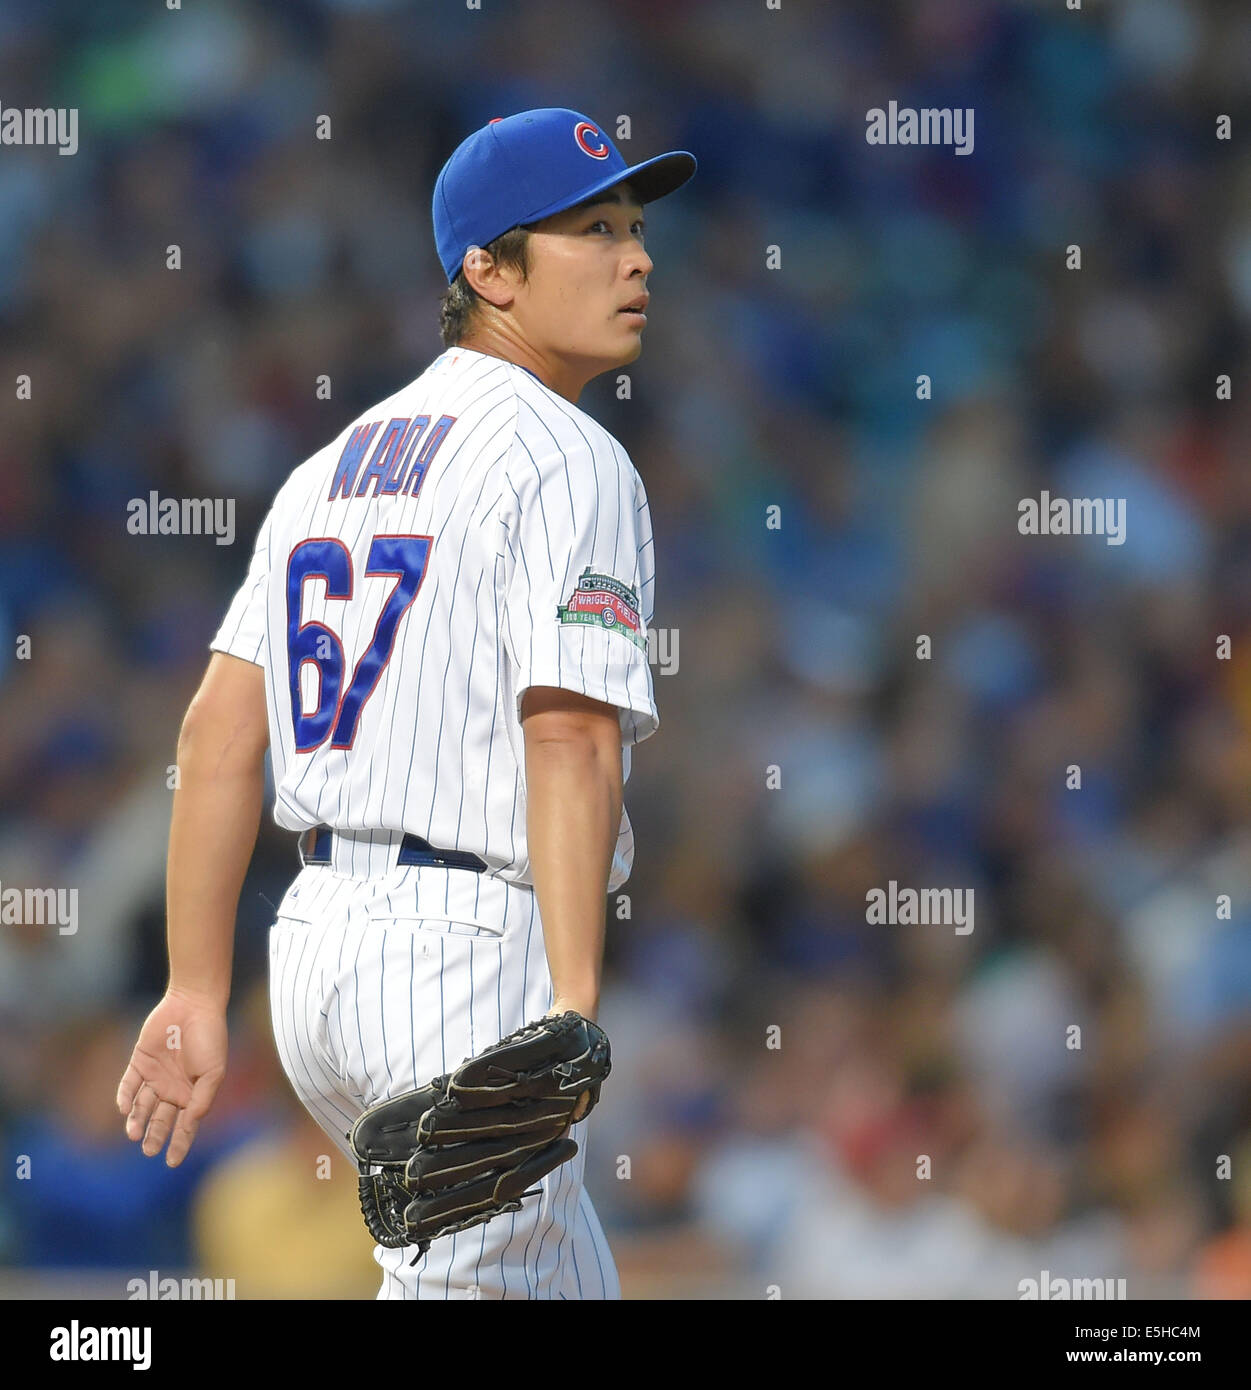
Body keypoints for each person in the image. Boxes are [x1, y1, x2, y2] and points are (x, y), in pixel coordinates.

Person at [115, 107, 696, 1300]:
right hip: (467, 959)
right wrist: (573, 1012)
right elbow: (572, 733)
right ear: (486, 268)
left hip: (317, 954)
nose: (636, 257)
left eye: (636, 228)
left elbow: (218, 734)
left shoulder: (331, 461)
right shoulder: (569, 456)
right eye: (592, 229)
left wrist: (194, 985)